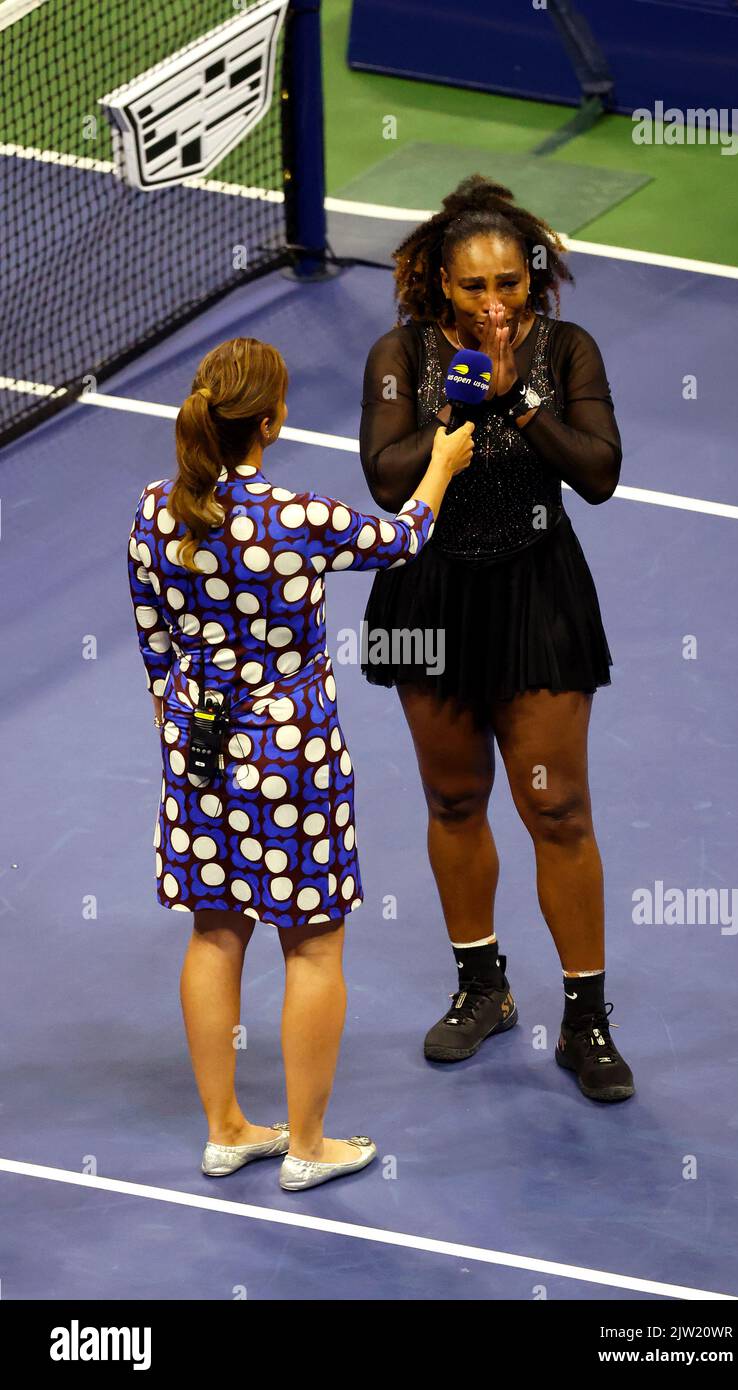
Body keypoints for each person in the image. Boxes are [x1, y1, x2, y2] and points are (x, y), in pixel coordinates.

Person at [127, 336, 475, 1190]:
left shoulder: (152, 511)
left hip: (196, 749)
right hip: (294, 756)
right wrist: (442, 465)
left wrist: (189, 731)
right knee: (313, 946)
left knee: (214, 931)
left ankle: (225, 1130)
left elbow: (154, 648)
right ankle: (308, 1146)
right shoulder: (297, 516)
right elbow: (400, 540)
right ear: (271, 422)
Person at [358, 174, 635, 1102]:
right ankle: (483, 990)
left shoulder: (568, 350)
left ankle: (586, 1020)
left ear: (532, 278)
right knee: (450, 799)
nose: (493, 303)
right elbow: (389, 485)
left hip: (536, 592)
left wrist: (518, 402)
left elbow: (598, 473)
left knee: (556, 810)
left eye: (509, 283)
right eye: (473, 287)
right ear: (440, 281)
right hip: (423, 597)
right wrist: (456, 417)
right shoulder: (398, 354)